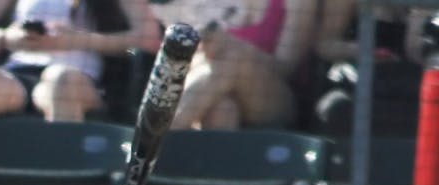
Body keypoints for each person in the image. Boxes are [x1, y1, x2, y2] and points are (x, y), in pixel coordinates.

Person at [0, 0, 162, 122]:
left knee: (59, 82)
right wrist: (7, 37)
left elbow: (149, 38)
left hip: (80, 80)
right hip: (18, 78)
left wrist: (79, 41)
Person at [151, 0, 319, 130]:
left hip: (273, 100)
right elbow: (188, 62)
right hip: (207, 86)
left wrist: (233, 45)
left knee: (233, 60)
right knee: (223, 110)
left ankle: (155, 140)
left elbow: (285, 68)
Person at [311, 2, 429, 137]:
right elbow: (325, 45)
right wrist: (364, 50)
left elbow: (416, 54)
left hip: (405, 83)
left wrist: (419, 17)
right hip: (356, 76)